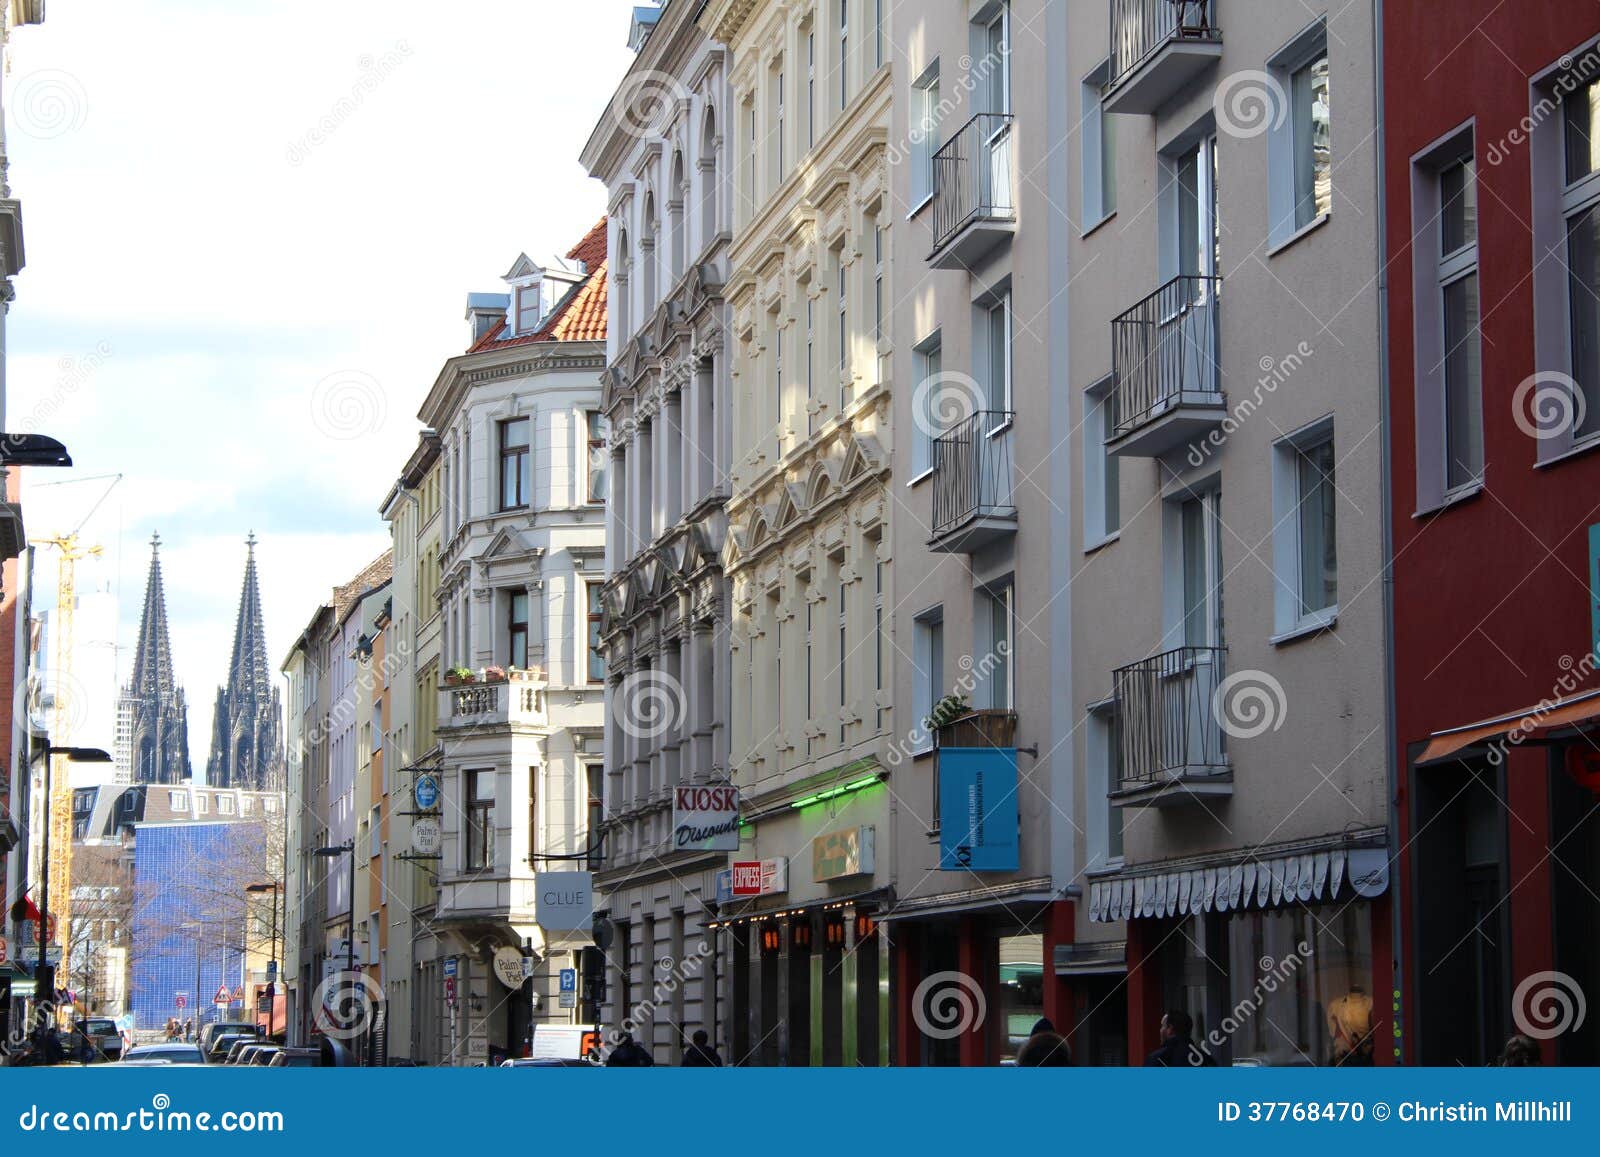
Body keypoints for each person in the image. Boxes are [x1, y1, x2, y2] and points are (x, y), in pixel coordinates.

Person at [1144, 1008, 1212, 1067]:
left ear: (1170, 1029)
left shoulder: (1157, 1059)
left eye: (1162, 1026)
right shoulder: (1205, 1059)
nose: (1160, 1030)